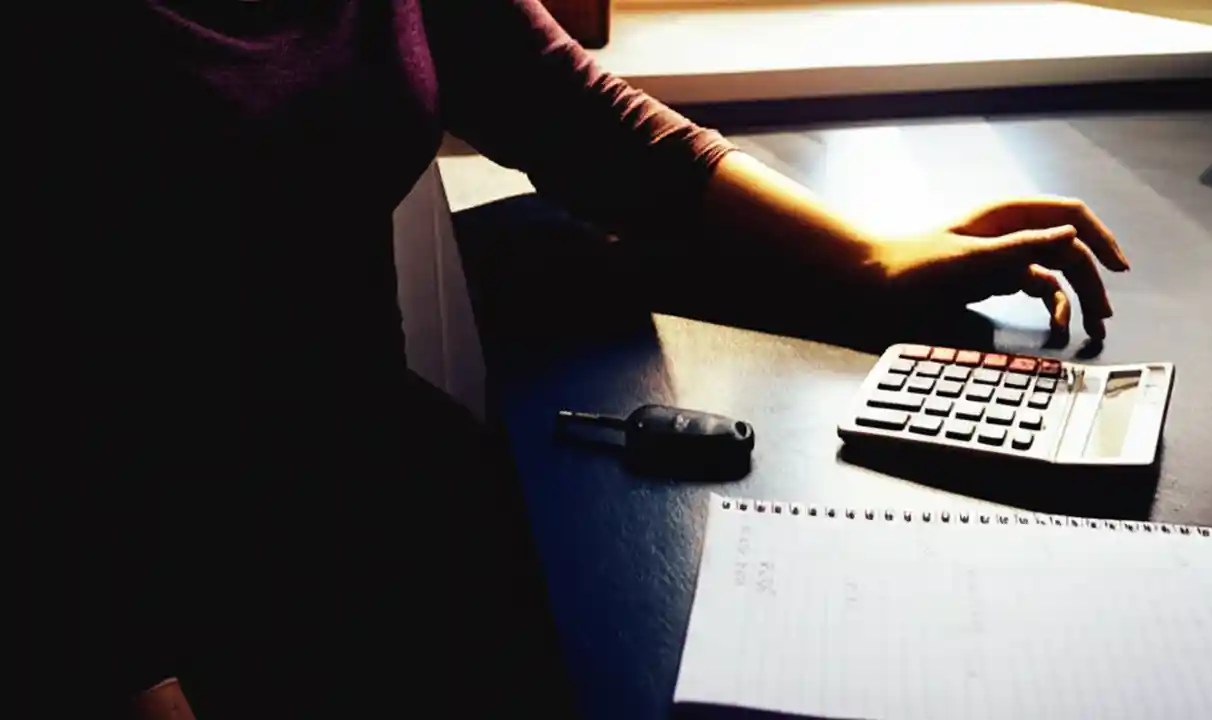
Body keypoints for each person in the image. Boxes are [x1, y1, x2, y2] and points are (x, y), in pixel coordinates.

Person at [29, 1, 1128, 718]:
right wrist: (122, 673)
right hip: (127, 574)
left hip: (363, 482)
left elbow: (574, 113)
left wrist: (873, 257)